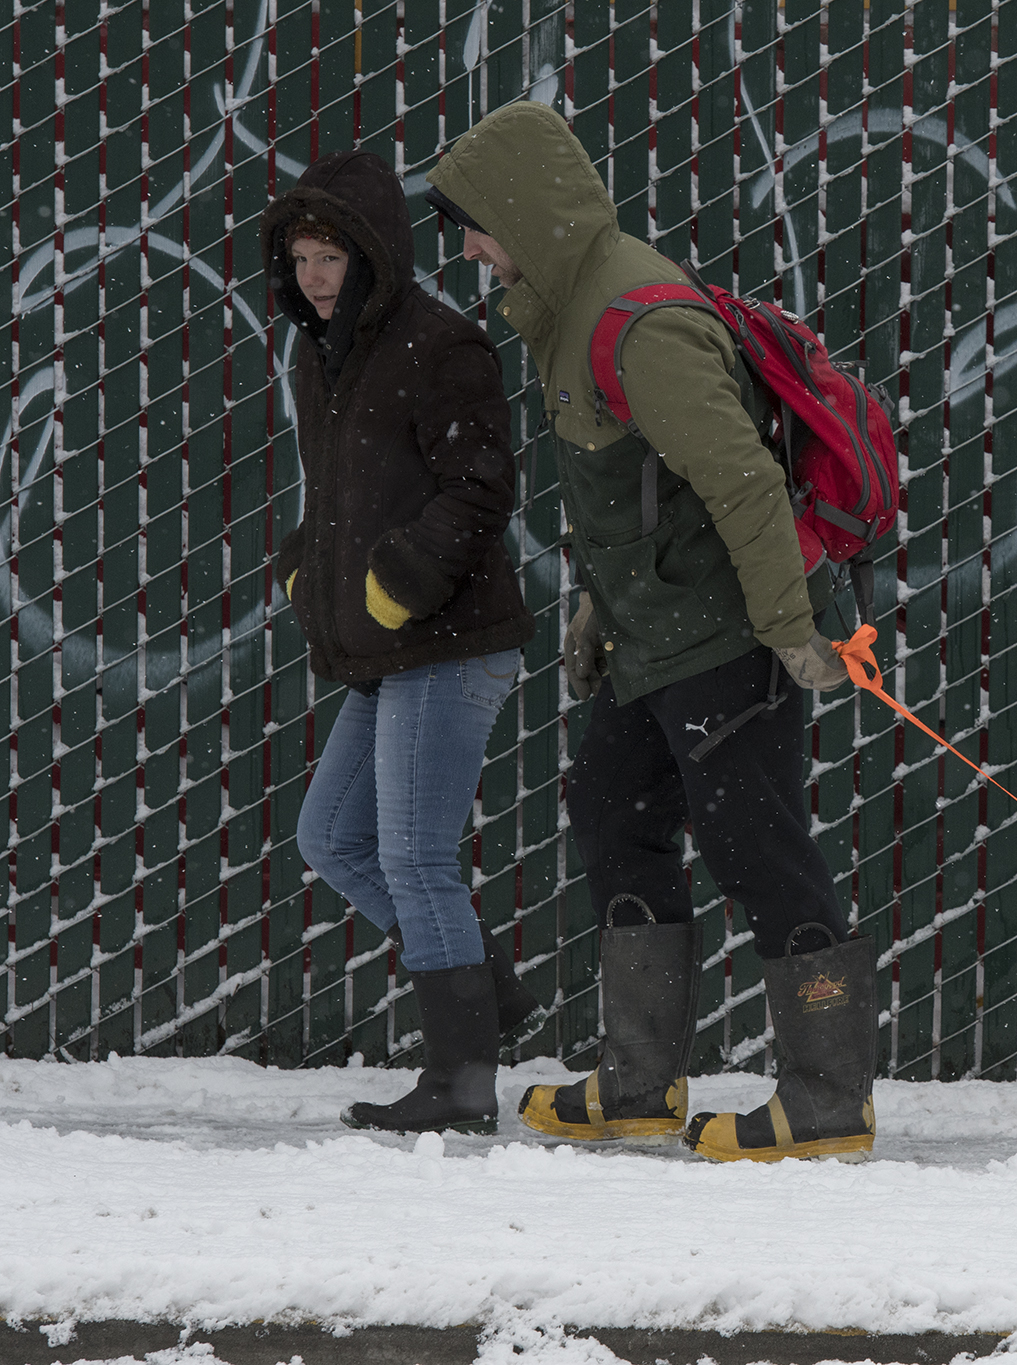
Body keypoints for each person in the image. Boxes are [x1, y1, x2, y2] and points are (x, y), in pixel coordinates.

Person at [423, 101, 878, 1162]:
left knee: (755, 845)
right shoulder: (573, 306)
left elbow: (741, 486)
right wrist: (598, 604)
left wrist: (791, 630)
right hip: (652, 635)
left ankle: (825, 1098)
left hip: (726, 636)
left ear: (519, 216)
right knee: (615, 819)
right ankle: (637, 1085)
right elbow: (641, 495)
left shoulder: (637, 321)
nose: (473, 253)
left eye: (476, 229)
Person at [262, 149, 538, 1134]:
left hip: (449, 638)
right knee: (330, 838)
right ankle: (484, 991)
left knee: (416, 856)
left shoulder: (440, 345)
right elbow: (337, 497)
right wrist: (308, 569)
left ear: (374, 252)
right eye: (300, 259)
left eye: (331, 254)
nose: (315, 276)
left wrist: (395, 583)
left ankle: (461, 1084)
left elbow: (480, 491)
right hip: (383, 644)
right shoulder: (319, 355)